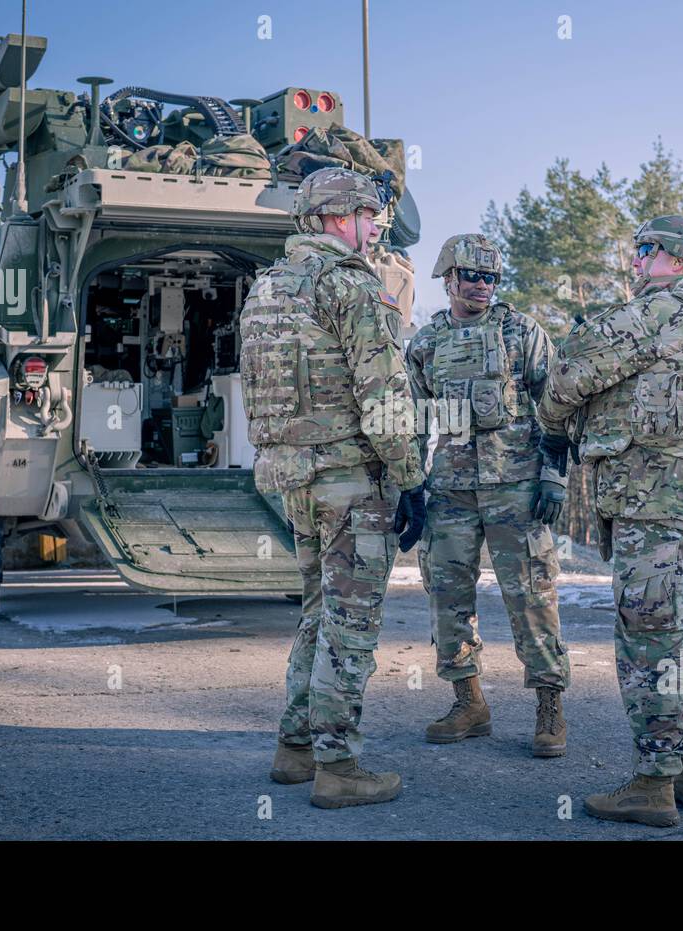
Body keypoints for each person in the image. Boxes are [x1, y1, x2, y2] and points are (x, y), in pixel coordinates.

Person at [537, 216, 683, 826]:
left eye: (645, 250)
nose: (635, 262)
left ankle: (654, 783)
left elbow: (569, 373)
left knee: (647, 639)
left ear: (678, 259)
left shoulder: (661, 310)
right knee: (678, 634)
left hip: (651, 497)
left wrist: (554, 428)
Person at [240, 167, 426, 809]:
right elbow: (384, 395)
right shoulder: (350, 284)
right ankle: (338, 766)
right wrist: (411, 477)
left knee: (318, 610)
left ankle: (294, 747)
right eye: (369, 215)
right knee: (350, 622)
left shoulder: (265, 287)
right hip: (349, 481)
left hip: (292, 478)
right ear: (337, 217)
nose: (377, 226)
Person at [405, 233, 571, 758]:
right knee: (447, 598)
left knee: (532, 598)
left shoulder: (522, 332)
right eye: (471, 276)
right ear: (448, 279)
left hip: (516, 490)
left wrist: (554, 476)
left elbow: (558, 408)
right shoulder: (426, 344)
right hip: (450, 492)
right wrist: (409, 484)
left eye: (490, 278)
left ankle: (549, 708)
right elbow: (408, 420)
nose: (481, 286)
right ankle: (468, 703)